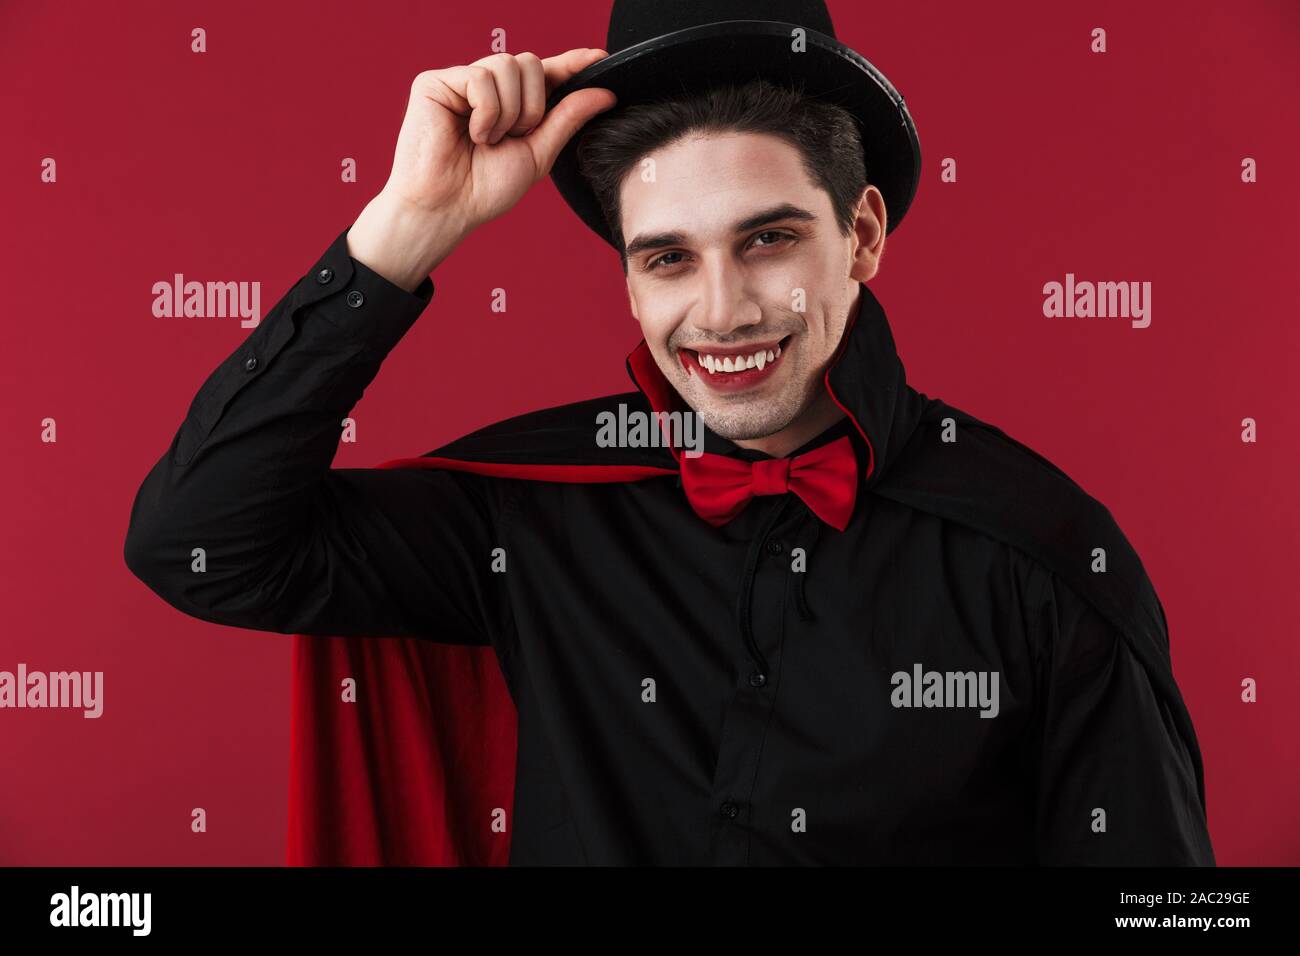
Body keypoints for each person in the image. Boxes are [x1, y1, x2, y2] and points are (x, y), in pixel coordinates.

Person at [124, 0, 1215, 865]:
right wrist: (407, 229)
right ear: (630, 278)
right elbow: (199, 545)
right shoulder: (530, 509)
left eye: (770, 239)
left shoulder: (1046, 558)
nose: (724, 308)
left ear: (863, 234)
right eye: (667, 257)